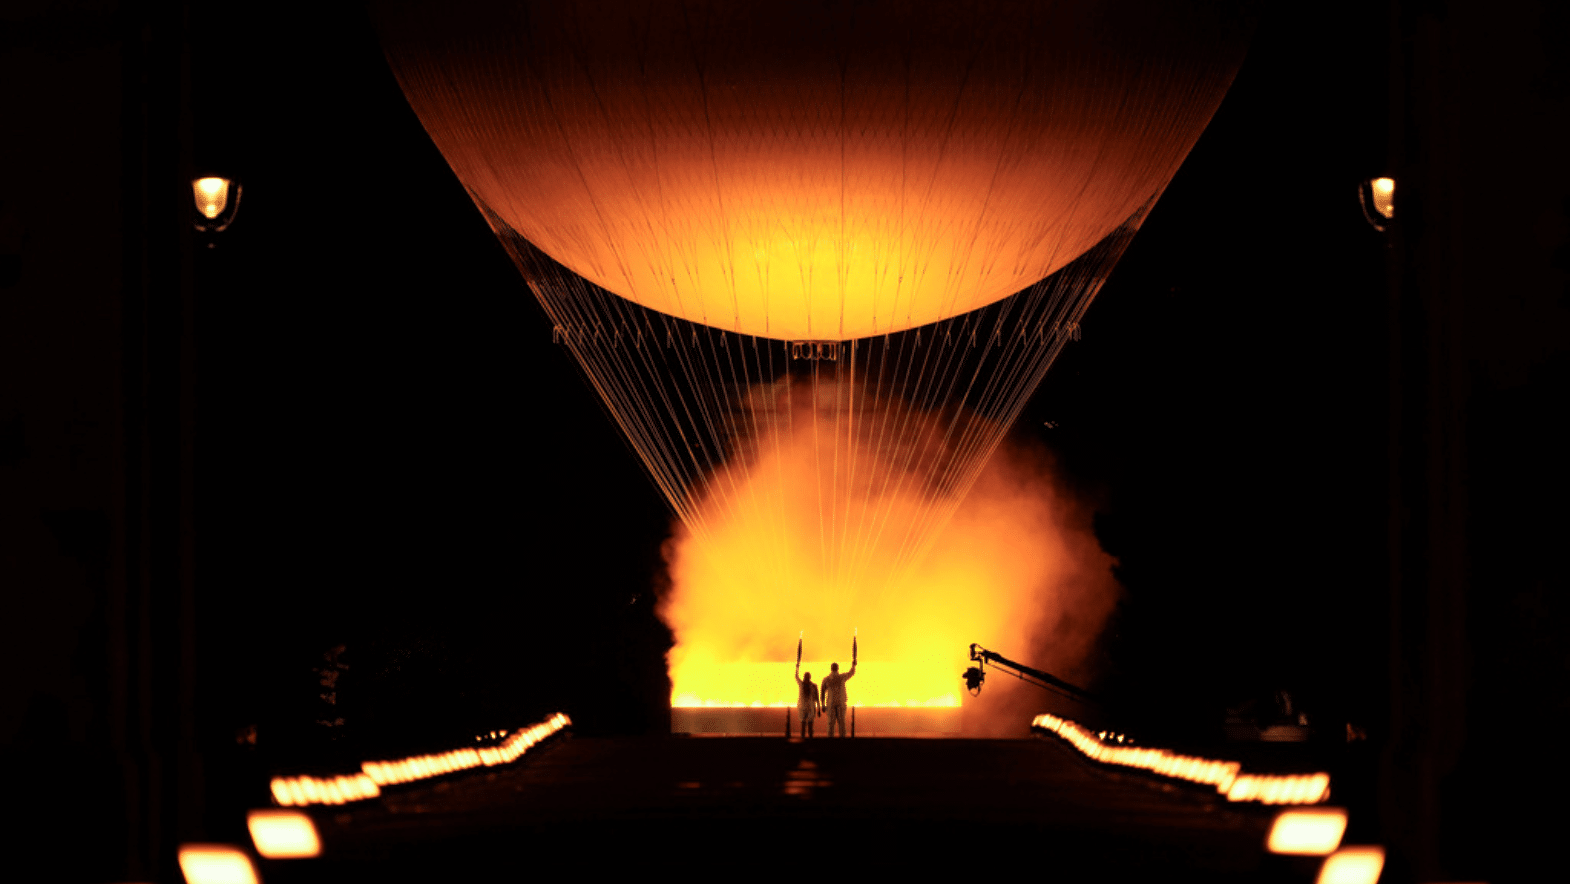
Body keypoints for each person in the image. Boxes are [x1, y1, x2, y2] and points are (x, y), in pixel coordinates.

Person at [820, 660, 856, 737]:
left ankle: (831, 742)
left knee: (831, 724)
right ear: (838, 668)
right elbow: (851, 673)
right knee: (842, 723)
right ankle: (842, 742)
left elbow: (822, 692)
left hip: (831, 703)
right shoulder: (842, 677)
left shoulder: (826, 679)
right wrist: (853, 665)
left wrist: (822, 705)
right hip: (840, 702)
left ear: (831, 669)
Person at [794, 667, 819, 738]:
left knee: (809, 725)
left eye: (807, 677)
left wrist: (818, 708)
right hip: (804, 707)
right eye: (806, 677)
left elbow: (817, 697)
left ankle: (808, 738)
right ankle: (804, 738)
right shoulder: (802, 684)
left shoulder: (812, 686)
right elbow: (796, 676)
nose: (806, 678)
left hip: (809, 707)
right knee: (804, 725)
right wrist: (797, 668)